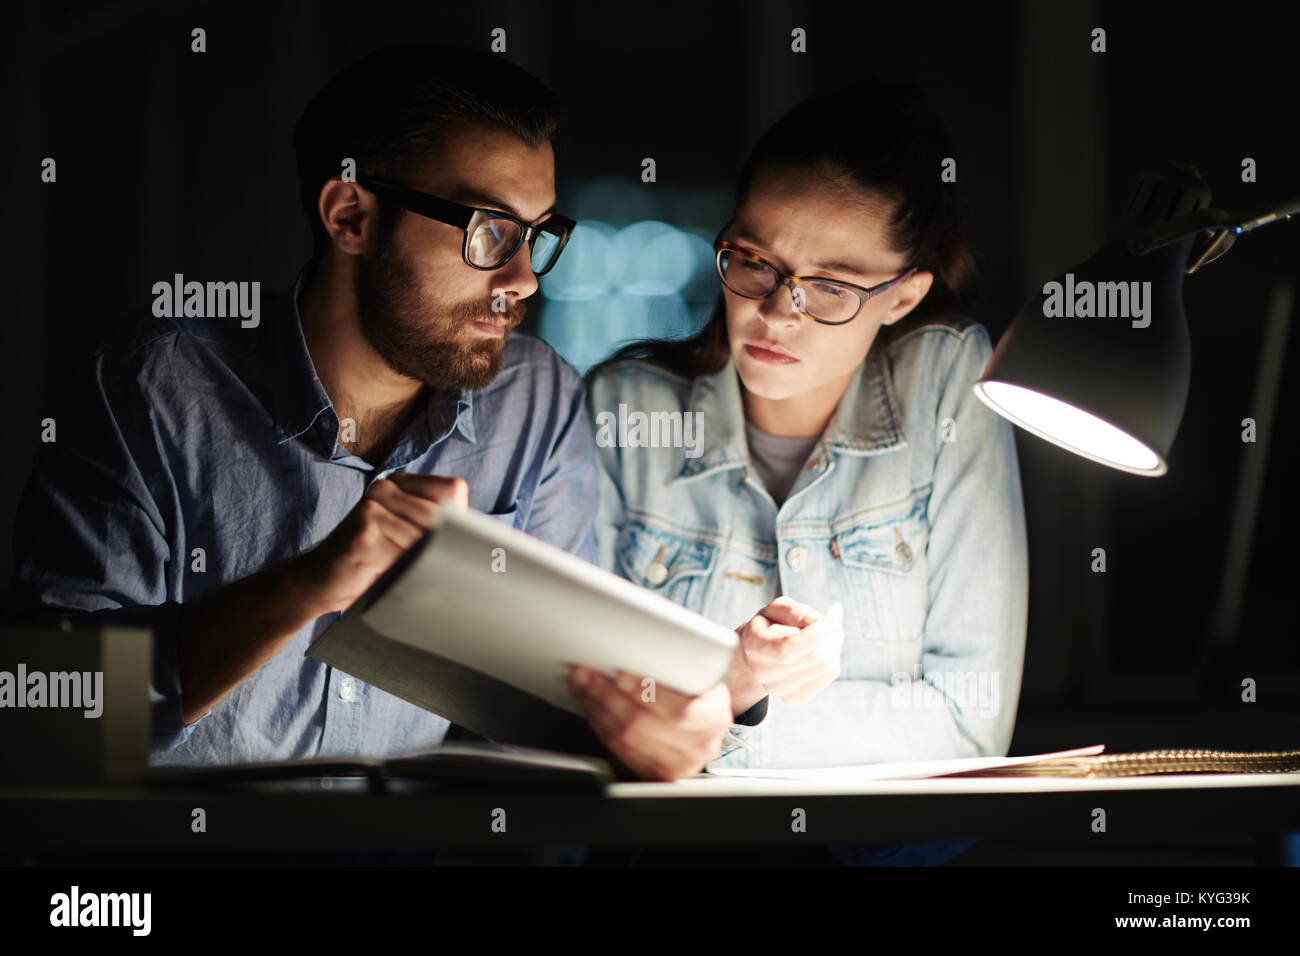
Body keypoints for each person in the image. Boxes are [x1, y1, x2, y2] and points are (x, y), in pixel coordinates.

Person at [7, 43, 733, 785]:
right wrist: (308, 585)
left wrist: (675, 718)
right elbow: (50, 719)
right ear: (350, 215)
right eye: (490, 231)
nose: (522, 281)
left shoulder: (534, 402)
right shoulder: (150, 387)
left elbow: (551, 712)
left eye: (538, 234)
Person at [584, 80, 1029, 864]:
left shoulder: (945, 384)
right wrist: (711, 697)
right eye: (754, 260)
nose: (777, 312)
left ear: (903, 296)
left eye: (830, 286)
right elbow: (581, 705)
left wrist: (713, 713)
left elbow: (968, 723)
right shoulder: (626, 408)